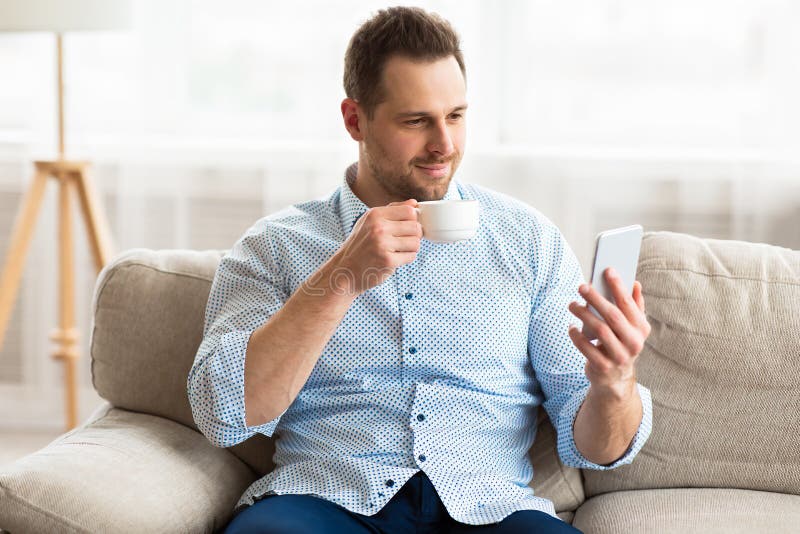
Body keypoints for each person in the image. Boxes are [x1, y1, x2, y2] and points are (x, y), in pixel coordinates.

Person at [188, 7, 652, 534]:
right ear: (354, 119)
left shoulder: (528, 240)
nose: (445, 145)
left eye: (455, 115)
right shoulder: (277, 246)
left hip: (487, 508)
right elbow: (222, 412)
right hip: (326, 498)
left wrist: (615, 384)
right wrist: (343, 275)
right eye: (416, 121)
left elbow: (593, 447)